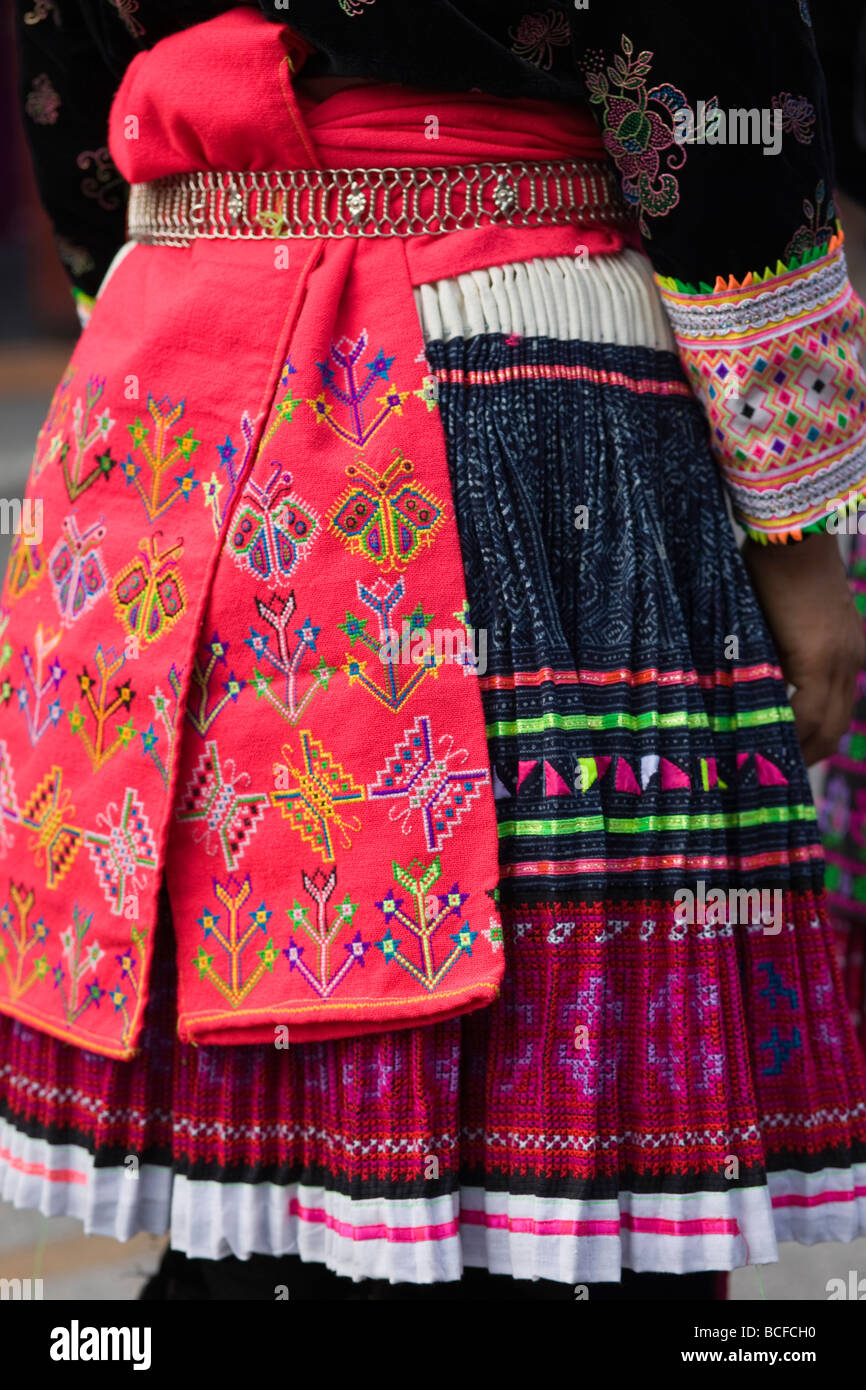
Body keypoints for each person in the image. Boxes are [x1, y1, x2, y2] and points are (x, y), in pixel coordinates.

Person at [2, 0, 866, 1302]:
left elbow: (68, 102)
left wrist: (141, 296)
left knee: (251, 1199)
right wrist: (796, 529)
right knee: (561, 1216)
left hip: (174, 385)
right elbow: (707, 92)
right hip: (513, 380)